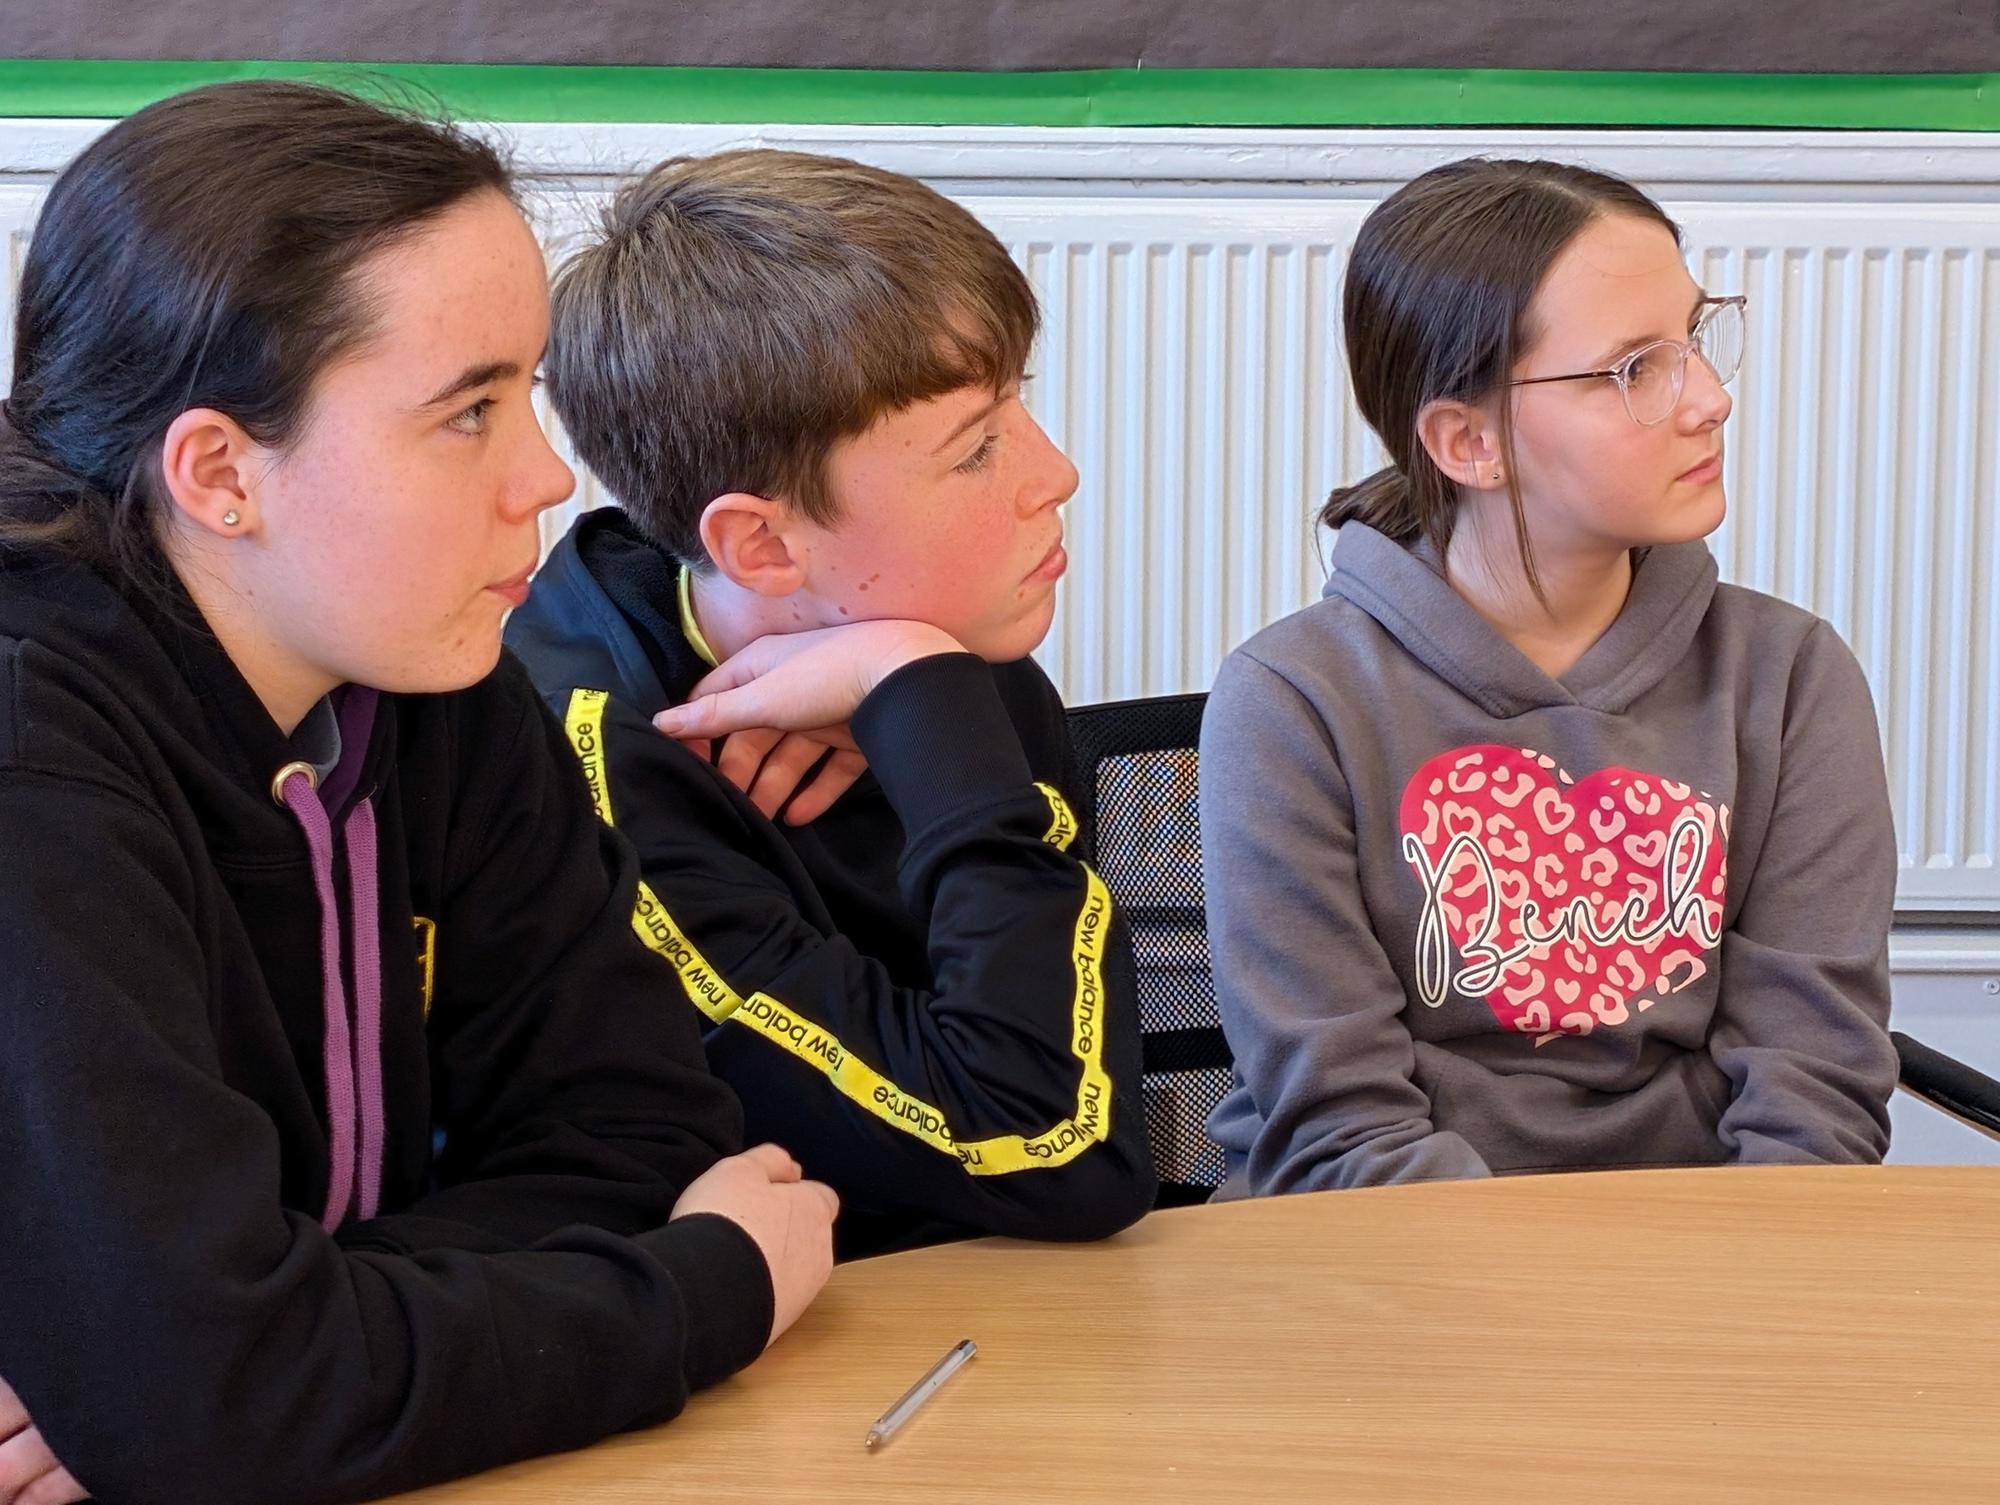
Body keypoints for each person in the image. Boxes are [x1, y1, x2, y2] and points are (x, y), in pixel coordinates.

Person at [0, 81, 834, 1505]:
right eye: (468, 413)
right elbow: (224, 1397)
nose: (547, 475)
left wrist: (247, 1342)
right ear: (219, 473)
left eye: (529, 392)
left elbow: (639, 1138)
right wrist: (703, 1292)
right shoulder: (33, 752)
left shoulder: (423, 673)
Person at [1201, 158, 1899, 1195]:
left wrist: (1732, 1300)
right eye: (1634, 369)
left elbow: (1814, 1087)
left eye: (1696, 338)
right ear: (1468, 441)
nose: (1709, 398)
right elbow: (1341, 1123)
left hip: (1703, 1267)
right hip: (1382, 1264)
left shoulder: (1789, 675)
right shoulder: (1291, 701)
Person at [505, 149, 1155, 1256]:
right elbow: (1050, 1145)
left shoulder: (942, 651)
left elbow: (1089, 1123)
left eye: (1018, 409)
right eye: (977, 448)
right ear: (759, 544)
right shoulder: (590, 781)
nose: (1054, 474)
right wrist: (927, 703)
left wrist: (911, 696)